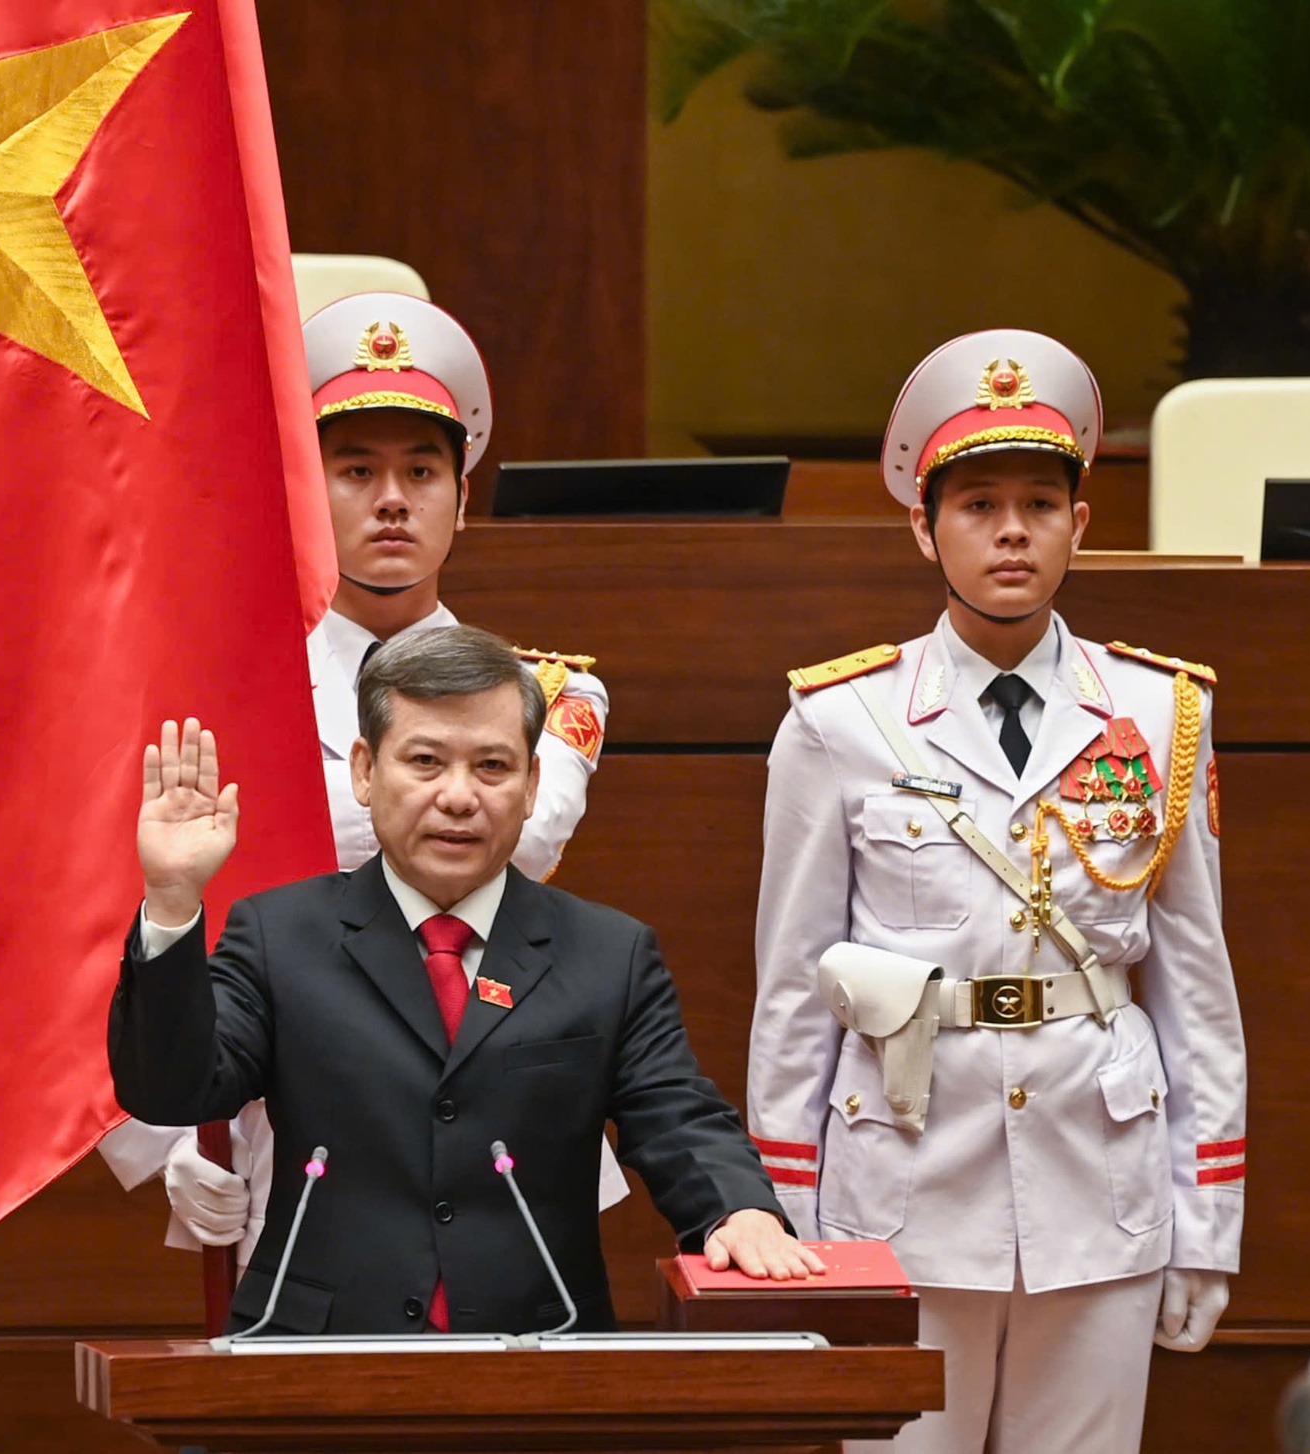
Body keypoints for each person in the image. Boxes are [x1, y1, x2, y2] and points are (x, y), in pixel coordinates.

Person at [748, 330, 1245, 1453]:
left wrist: (1205, 1218)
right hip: (902, 1183)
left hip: (1099, 1176)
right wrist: (791, 1229)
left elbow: (1193, 984)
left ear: (1082, 519)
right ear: (923, 525)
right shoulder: (839, 721)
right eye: (975, 503)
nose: (1010, 528)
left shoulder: (1157, 714)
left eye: (1037, 500)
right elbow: (790, 990)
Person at [98, 292, 621, 1263]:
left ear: (463, 501)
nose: (391, 498)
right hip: (288, 1123)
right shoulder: (221, 698)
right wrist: (172, 1133)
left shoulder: (547, 690)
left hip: (501, 1120)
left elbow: (517, 840)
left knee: (504, 1409)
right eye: (354, 469)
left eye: (421, 470)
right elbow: (147, 910)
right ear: (302, 490)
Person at [111, 625, 816, 1334]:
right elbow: (171, 1088)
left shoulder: (608, 953)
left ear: (532, 783)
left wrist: (738, 1209)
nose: (458, 796)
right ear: (364, 770)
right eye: (425, 761)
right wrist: (172, 903)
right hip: (317, 1356)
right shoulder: (279, 936)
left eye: (492, 767)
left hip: (539, 1357)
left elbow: (677, 1114)